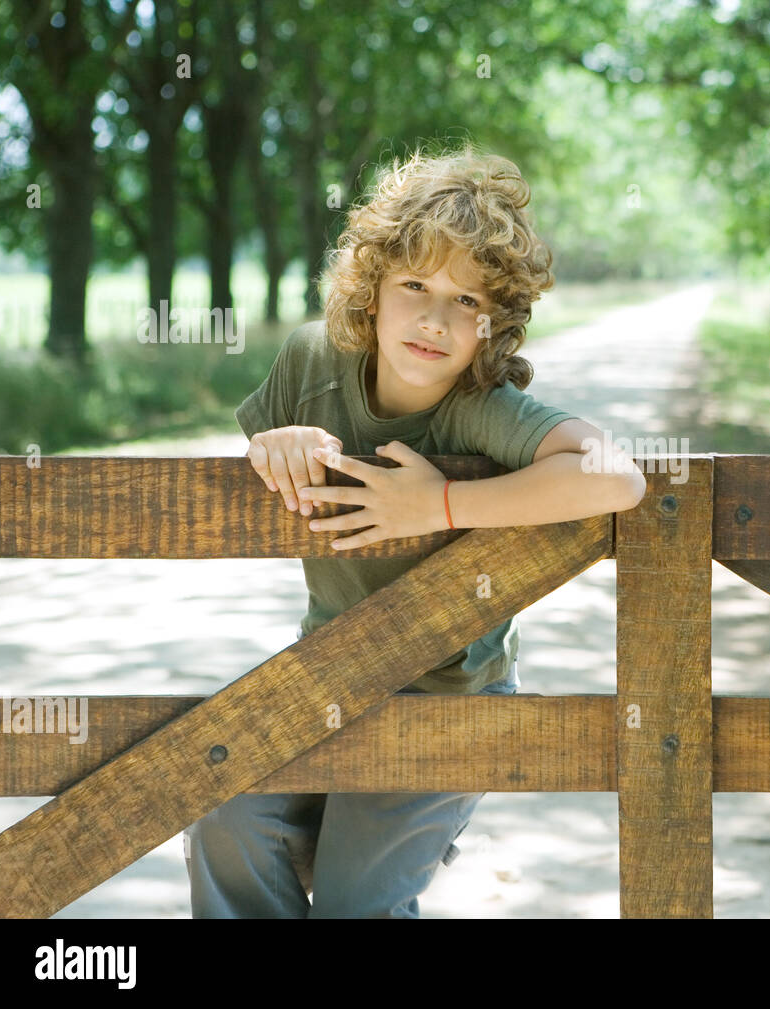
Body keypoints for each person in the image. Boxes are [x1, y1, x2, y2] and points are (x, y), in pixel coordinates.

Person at [183, 141, 646, 917]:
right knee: (223, 815)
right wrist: (272, 446)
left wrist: (439, 506)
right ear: (370, 291)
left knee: (353, 897)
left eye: (467, 301)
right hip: (328, 670)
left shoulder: (475, 404)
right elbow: (259, 456)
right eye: (414, 284)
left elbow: (619, 476)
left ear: (492, 324)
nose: (435, 319)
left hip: (447, 692)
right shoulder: (310, 361)